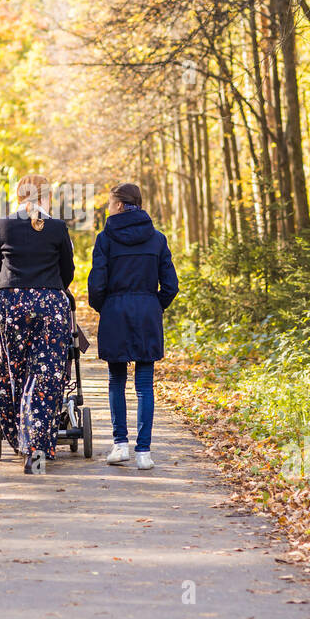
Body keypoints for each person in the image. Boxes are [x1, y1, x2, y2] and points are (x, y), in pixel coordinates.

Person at [0, 175, 75, 475]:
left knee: (12, 373)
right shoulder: (58, 228)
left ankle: (17, 435)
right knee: (45, 377)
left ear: (18, 196)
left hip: (10, 305)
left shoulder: (2, 225)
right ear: (47, 197)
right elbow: (68, 272)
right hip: (50, 305)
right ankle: (36, 448)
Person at [87, 182, 178, 470]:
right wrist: (153, 304)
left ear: (118, 205)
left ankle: (120, 445)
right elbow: (171, 285)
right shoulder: (157, 239)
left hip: (115, 312)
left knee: (117, 380)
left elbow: (97, 284)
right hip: (147, 314)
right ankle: (144, 453)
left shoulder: (105, 239)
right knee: (144, 385)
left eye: (110, 203)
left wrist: (106, 306)